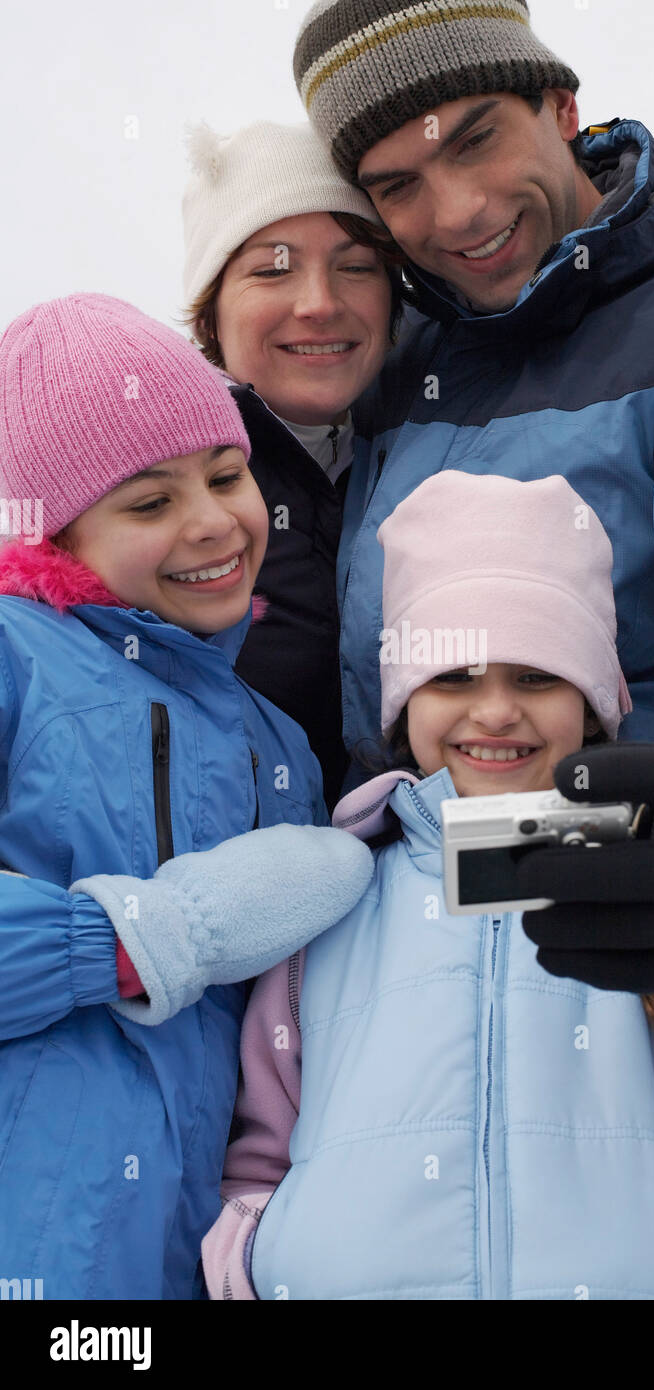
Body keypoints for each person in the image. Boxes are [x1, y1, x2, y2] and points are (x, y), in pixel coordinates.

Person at [291, 0, 654, 1008]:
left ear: (558, 108)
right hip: (385, 994)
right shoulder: (379, 368)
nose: (458, 211)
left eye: (477, 139)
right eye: (397, 189)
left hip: (638, 976)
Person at [201, 471, 654, 1300]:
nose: (494, 712)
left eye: (536, 675)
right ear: (403, 702)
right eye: (452, 677)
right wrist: (267, 1261)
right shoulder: (327, 899)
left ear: (590, 702)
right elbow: (253, 1164)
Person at [0, 293, 374, 1299]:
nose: (213, 522)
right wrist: (141, 937)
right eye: (149, 501)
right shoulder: (14, 659)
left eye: (225, 475)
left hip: (196, 1263)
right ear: (58, 536)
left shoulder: (274, 742)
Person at [182, 120, 403, 806]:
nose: (319, 303)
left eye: (357, 266)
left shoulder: (437, 444)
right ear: (211, 312)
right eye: (272, 269)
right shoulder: (150, 478)